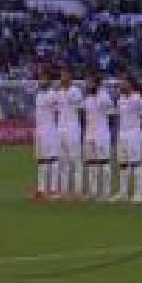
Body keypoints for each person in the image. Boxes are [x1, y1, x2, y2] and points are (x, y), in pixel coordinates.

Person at [82, 76, 116, 201]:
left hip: (102, 134)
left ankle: (106, 193)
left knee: (104, 163)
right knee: (91, 163)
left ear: (97, 83)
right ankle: (93, 191)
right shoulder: (87, 98)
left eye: (91, 82)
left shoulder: (104, 97)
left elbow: (111, 115)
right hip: (89, 134)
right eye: (88, 82)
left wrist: (107, 130)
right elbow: (84, 115)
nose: (88, 84)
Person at [115, 74, 142, 202]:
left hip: (134, 134)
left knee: (135, 163)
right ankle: (123, 192)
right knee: (123, 163)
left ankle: (138, 193)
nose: (121, 84)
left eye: (124, 82)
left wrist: (140, 131)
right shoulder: (120, 99)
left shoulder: (138, 98)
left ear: (130, 83)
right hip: (122, 134)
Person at [32, 72, 63, 200]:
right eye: (39, 78)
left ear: (49, 80)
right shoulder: (39, 95)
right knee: (41, 161)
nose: (40, 81)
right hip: (39, 131)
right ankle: (41, 189)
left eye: (43, 78)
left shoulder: (52, 94)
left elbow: (59, 109)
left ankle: (54, 189)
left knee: (53, 159)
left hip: (49, 131)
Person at [56, 71, 86, 199]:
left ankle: (78, 191)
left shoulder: (76, 91)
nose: (62, 78)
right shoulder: (59, 92)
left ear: (70, 77)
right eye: (61, 76)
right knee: (63, 161)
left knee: (76, 160)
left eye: (64, 76)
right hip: (61, 128)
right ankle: (64, 191)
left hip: (73, 128)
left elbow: (80, 109)